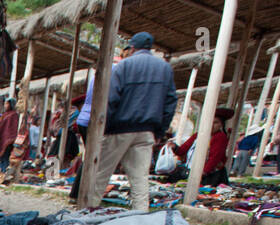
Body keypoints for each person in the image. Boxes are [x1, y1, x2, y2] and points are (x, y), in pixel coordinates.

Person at [90, 32, 176, 213]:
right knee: (140, 178)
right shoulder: (165, 68)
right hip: (147, 130)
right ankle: (140, 216)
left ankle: (89, 210)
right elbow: (170, 102)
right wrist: (160, 131)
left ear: (132, 48)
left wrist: (104, 127)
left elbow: (111, 98)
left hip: (119, 128)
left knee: (101, 174)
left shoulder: (124, 66)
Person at [172, 108, 232, 187]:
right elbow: (183, 150)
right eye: (210, 122)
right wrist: (174, 147)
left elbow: (215, 157)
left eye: (216, 122)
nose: (212, 125)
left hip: (210, 176)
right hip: (193, 172)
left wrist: (203, 172)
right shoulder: (197, 135)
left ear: (221, 124)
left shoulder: (220, 137)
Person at [0, 100, 20, 171]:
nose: (5, 106)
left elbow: (12, 128)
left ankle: (5, 173)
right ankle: (3, 172)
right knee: (3, 159)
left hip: (8, 142)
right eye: (5, 104)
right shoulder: (5, 114)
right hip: (2, 139)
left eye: (7, 104)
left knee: (6, 158)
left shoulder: (13, 115)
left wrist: (8, 139)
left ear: (11, 105)